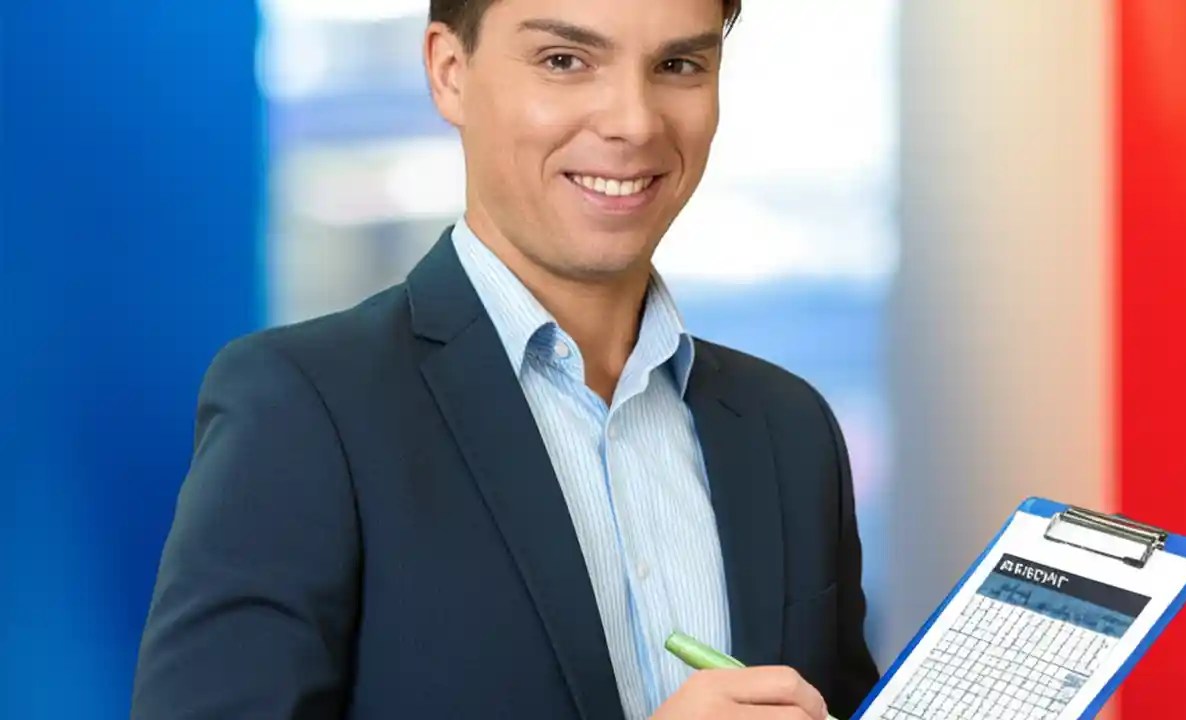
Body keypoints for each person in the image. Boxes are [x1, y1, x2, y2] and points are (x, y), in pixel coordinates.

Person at [131, 0, 880, 718]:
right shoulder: (302, 409)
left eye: (678, 65)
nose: (634, 121)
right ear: (449, 71)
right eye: (564, 60)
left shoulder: (790, 429)